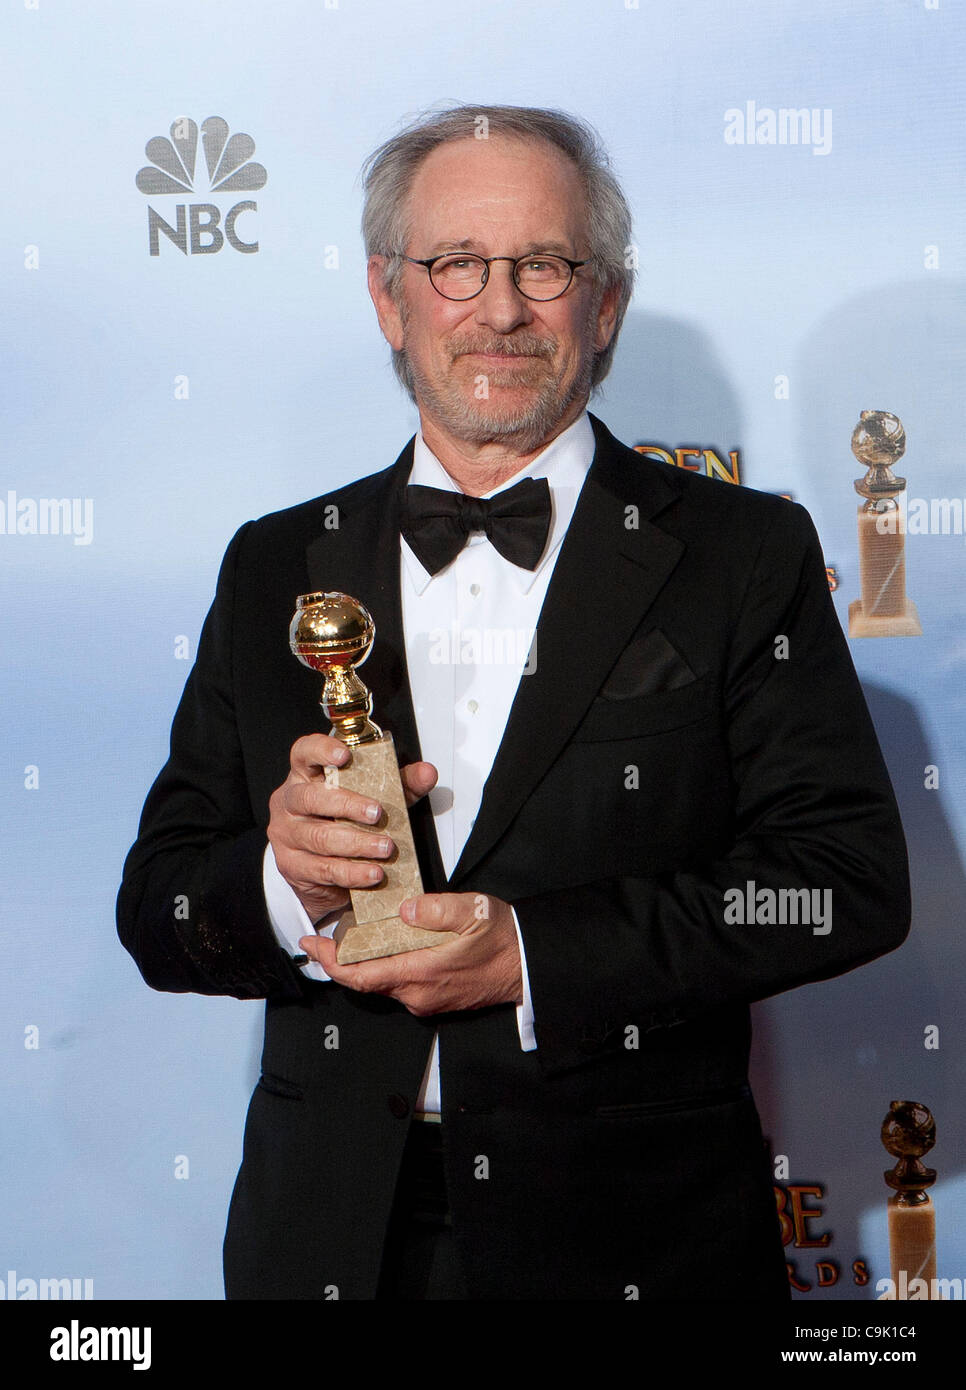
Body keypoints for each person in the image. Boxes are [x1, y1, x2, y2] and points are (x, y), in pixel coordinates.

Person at [117, 104, 910, 1301]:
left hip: (637, 1235)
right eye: (456, 266)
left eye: (544, 264)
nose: (499, 309)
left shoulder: (746, 554)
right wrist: (287, 880)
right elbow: (160, 908)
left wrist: (537, 957)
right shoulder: (278, 561)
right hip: (330, 1235)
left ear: (607, 303)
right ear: (390, 297)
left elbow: (840, 883)